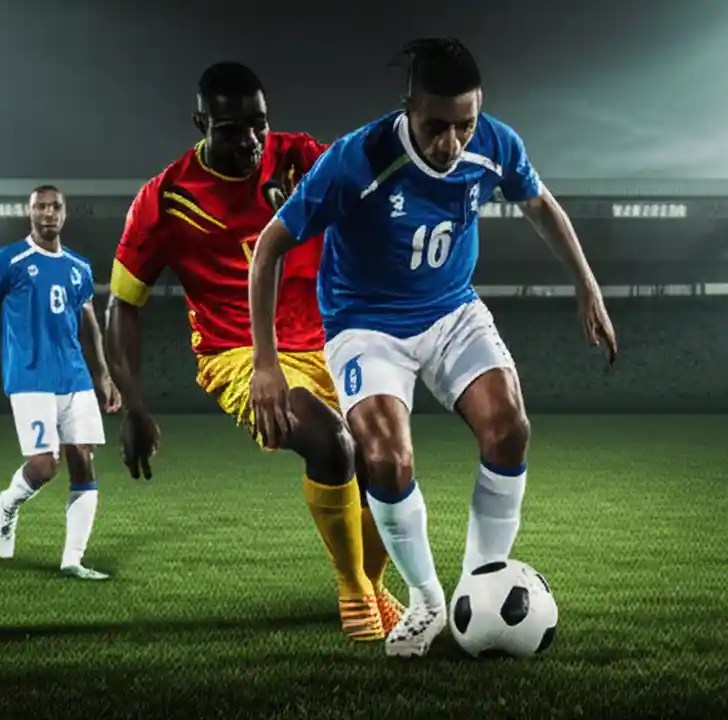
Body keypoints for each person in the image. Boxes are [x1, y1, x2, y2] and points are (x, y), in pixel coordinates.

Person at [248, 38, 618, 657]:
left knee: (510, 430)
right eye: (436, 127)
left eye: (465, 125)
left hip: (451, 310)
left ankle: (480, 585)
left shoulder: (496, 144)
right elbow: (268, 248)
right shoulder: (357, 159)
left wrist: (587, 283)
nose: (452, 143)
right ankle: (426, 602)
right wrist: (265, 362)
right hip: (365, 324)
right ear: (409, 109)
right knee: (388, 460)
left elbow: (539, 204)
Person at [106, 61, 402, 641]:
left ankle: (374, 584)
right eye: (230, 129)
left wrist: (313, 203)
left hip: (326, 340)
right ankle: (353, 591)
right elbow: (123, 305)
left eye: (258, 125)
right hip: (239, 352)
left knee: (386, 456)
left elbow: (371, 188)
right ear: (200, 124)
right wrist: (134, 407)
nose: (249, 141)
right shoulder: (165, 199)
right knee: (331, 441)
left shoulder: (298, 159)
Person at [0, 185, 121, 581]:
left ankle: (73, 560)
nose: (48, 213)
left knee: (83, 460)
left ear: (65, 213)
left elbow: (89, 326)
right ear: (30, 212)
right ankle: (9, 503)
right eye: (41, 207)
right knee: (44, 466)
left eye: (55, 207)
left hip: (75, 377)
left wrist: (103, 374)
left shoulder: (79, 266)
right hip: (30, 377)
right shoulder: (8, 260)